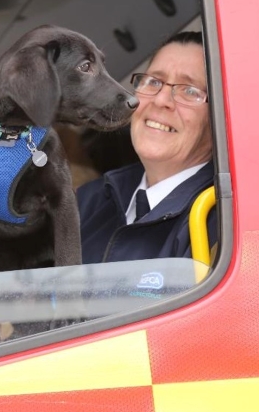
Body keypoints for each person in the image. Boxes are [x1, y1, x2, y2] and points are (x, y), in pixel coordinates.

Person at [77, 31, 217, 264]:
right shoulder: (89, 200)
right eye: (153, 82)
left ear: (219, 117)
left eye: (189, 90)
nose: (161, 100)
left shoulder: (224, 220)